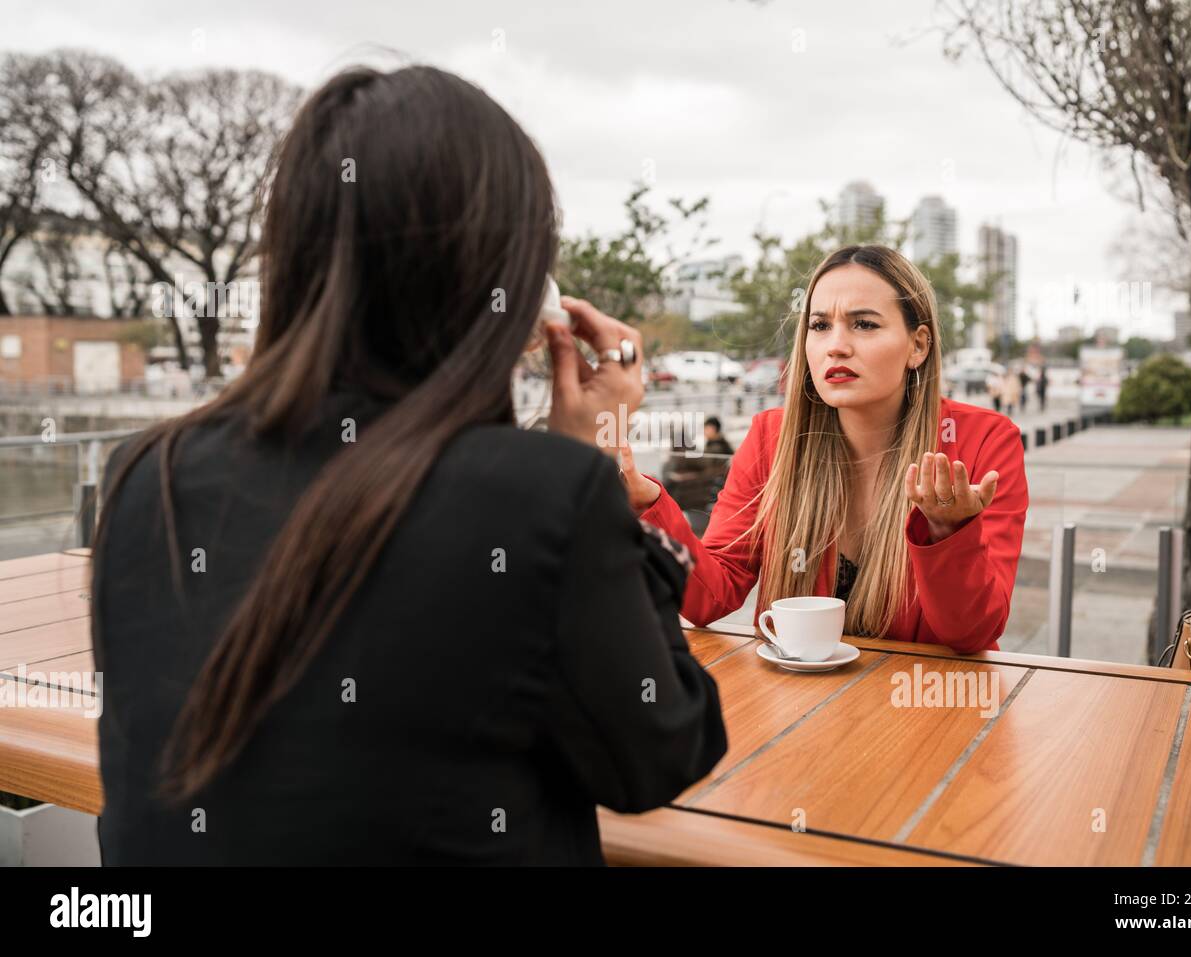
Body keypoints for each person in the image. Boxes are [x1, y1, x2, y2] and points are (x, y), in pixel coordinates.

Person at [90, 64, 726, 866]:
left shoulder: (147, 474)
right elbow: (661, 750)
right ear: (511, 284)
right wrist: (591, 461)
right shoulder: (537, 496)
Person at [619, 245, 1029, 655]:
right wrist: (647, 502)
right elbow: (710, 596)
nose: (836, 346)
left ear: (918, 346)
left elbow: (971, 633)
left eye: (864, 324)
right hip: (800, 705)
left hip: (929, 709)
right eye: (819, 325)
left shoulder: (983, 441)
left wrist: (948, 532)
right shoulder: (770, 438)